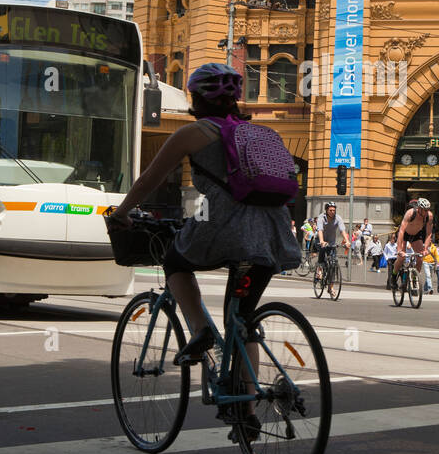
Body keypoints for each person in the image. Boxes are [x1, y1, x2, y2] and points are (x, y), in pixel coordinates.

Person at [109, 63, 300, 387]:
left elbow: (149, 180)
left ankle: (200, 331)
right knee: (242, 319)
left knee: (174, 261)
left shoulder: (192, 133)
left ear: (196, 98)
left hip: (222, 222)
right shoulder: (264, 132)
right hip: (271, 228)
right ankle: (249, 406)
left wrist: (121, 212)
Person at [393, 197, 434, 287]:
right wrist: (399, 249)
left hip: (416, 235)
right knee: (401, 258)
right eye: (424, 210)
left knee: (420, 258)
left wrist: (425, 249)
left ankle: (415, 279)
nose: (426, 212)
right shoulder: (410, 213)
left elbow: (429, 233)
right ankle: (393, 276)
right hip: (404, 234)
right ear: (419, 209)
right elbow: (401, 231)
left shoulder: (429, 216)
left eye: (428, 210)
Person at [315, 202, 350, 288]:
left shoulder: (338, 218)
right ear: (326, 210)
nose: (332, 212)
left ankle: (331, 287)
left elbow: (342, 230)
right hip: (320, 239)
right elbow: (320, 230)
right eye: (330, 210)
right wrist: (322, 241)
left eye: (334, 210)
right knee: (322, 249)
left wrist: (347, 241)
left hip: (331, 242)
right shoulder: (321, 217)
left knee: (333, 263)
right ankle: (319, 268)